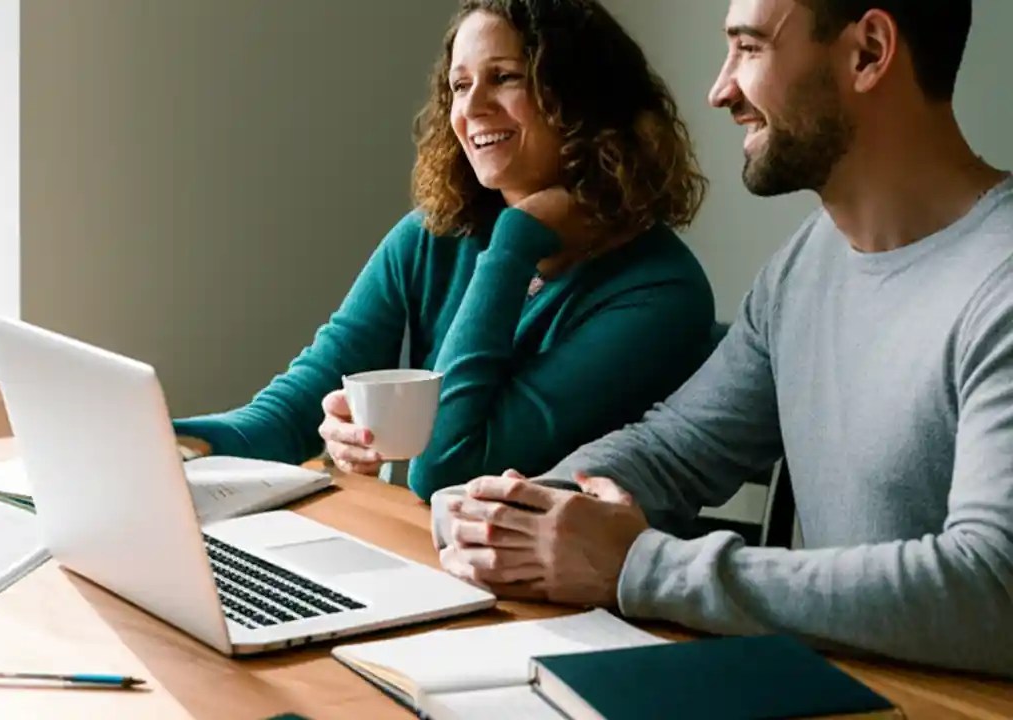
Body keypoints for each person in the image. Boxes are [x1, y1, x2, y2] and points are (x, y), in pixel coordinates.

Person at [437, 0, 1013, 677]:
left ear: (869, 52)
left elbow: (992, 590)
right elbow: (674, 447)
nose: (720, 90)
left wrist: (639, 564)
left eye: (750, 48)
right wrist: (520, 510)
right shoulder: (805, 266)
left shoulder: (997, 282)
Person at [174, 0, 715, 501]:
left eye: (503, 78)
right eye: (459, 85)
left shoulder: (660, 294)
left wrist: (517, 238)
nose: (472, 108)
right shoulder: (432, 237)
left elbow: (450, 471)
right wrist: (166, 443)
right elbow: (290, 413)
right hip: (435, 557)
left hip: (569, 593)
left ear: (581, 98)